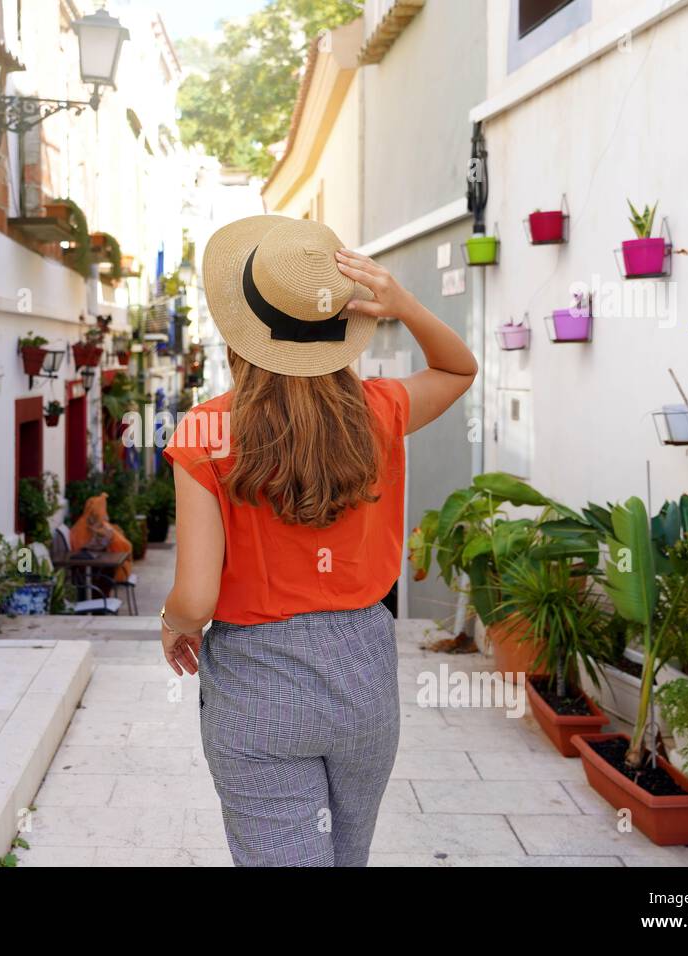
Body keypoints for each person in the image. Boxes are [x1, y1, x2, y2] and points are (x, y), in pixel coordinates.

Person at [160, 215, 477, 866]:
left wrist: (176, 624)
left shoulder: (205, 431)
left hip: (258, 681)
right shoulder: (378, 411)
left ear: (240, 332)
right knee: (347, 857)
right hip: (363, 671)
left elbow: (195, 595)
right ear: (340, 330)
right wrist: (405, 304)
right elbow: (458, 369)